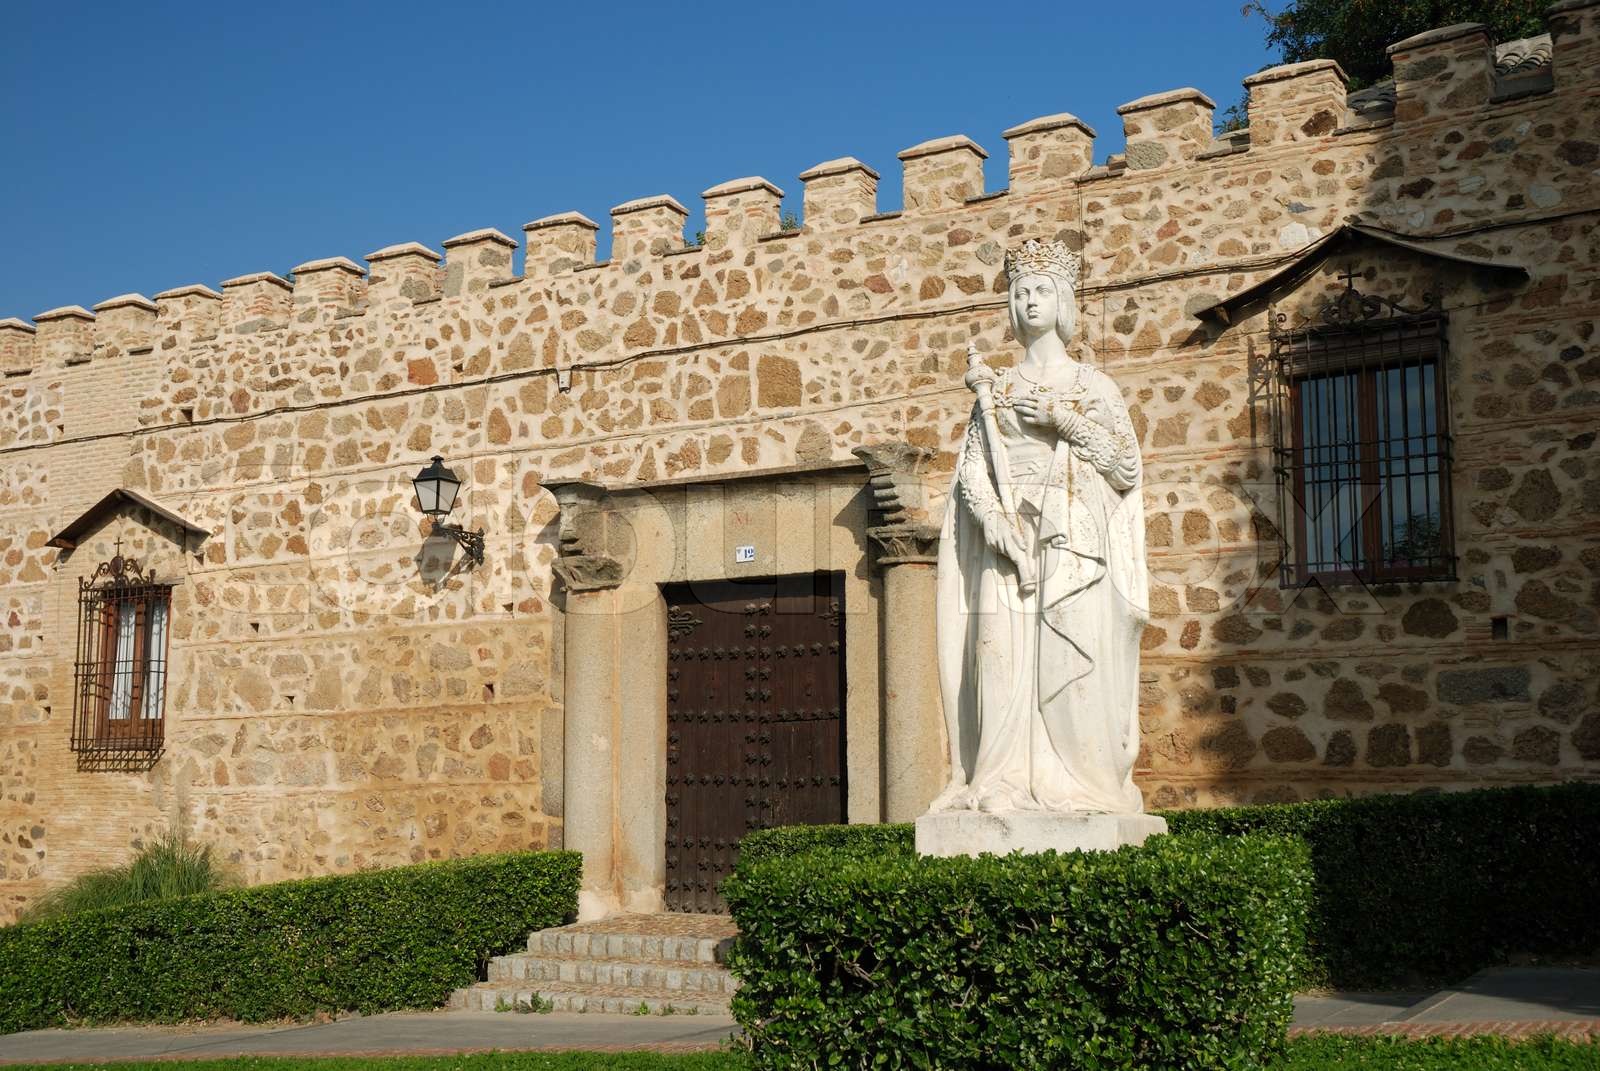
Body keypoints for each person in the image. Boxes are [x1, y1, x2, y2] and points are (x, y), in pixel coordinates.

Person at [932, 239, 1150, 815]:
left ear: (1064, 299)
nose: (1030, 301)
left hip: (1073, 539)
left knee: (1067, 659)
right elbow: (974, 471)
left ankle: (1077, 782)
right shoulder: (995, 390)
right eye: (1021, 292)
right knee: (996, 660)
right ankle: (1000, 781)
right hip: (1006, 540)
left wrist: (1062, 420)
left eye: (1041, 291)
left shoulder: (1095, 387)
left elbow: (1125, 466)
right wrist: (994, 521)